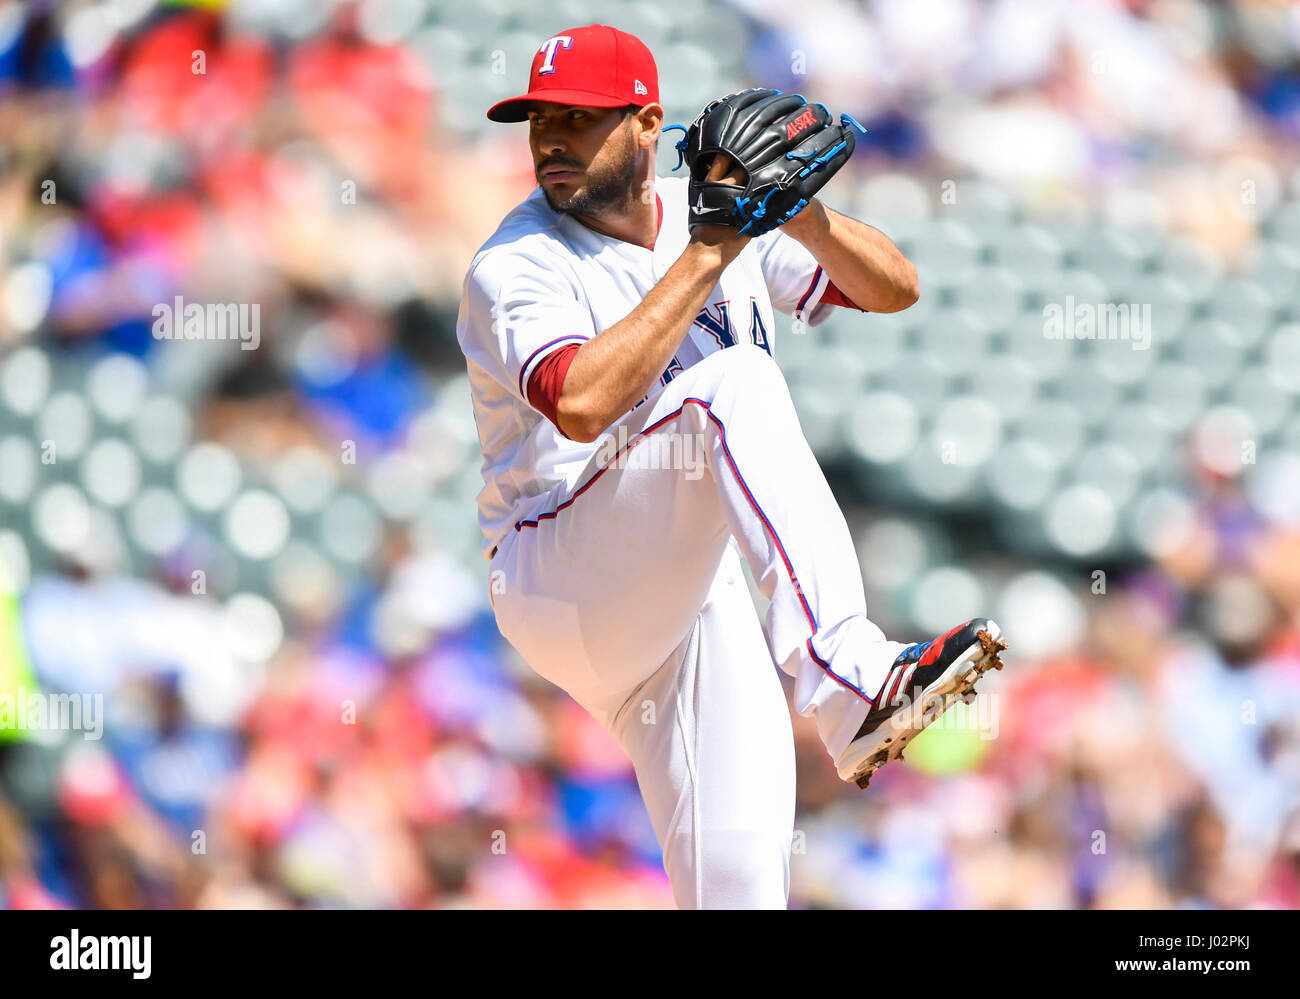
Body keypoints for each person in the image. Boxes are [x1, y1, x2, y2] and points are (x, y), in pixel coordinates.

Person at [456, 23, 1005, 909]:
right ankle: (852, 677)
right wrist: (714, 250)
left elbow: (893, 287)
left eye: (578, 118)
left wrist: (794, 208)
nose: (551, 138)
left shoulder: (705, 211)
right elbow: (582, 400)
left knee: (742, 885)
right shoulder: (516, 262)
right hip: (561, 572)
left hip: (686, 600)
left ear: (646, 124)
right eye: (538, 120)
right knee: (733, 385)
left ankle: (848, 693)